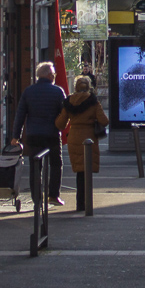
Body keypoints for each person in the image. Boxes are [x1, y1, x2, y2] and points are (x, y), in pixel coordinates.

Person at [12, 62, 68, 207]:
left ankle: (36, 198)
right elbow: (65, 113)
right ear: (50, 75)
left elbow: (20, 115)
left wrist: (16, 136)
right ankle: (53, 195)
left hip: (33, 135)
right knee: (56, 164)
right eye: (54, 74)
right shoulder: (58, 91)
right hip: (52, 134)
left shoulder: (28, 92)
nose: (54, 76)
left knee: (35, 166)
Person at [55, 76, 109, 212]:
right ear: (89, 86)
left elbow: (60, 124)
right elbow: (104, 121)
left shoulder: (69, 102)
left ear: (76, 87)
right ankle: (86, 203)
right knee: (87, 170)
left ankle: (79, 203)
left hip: (74, 137)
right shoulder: (93, 102)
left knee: (79, 170)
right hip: (89, 138)